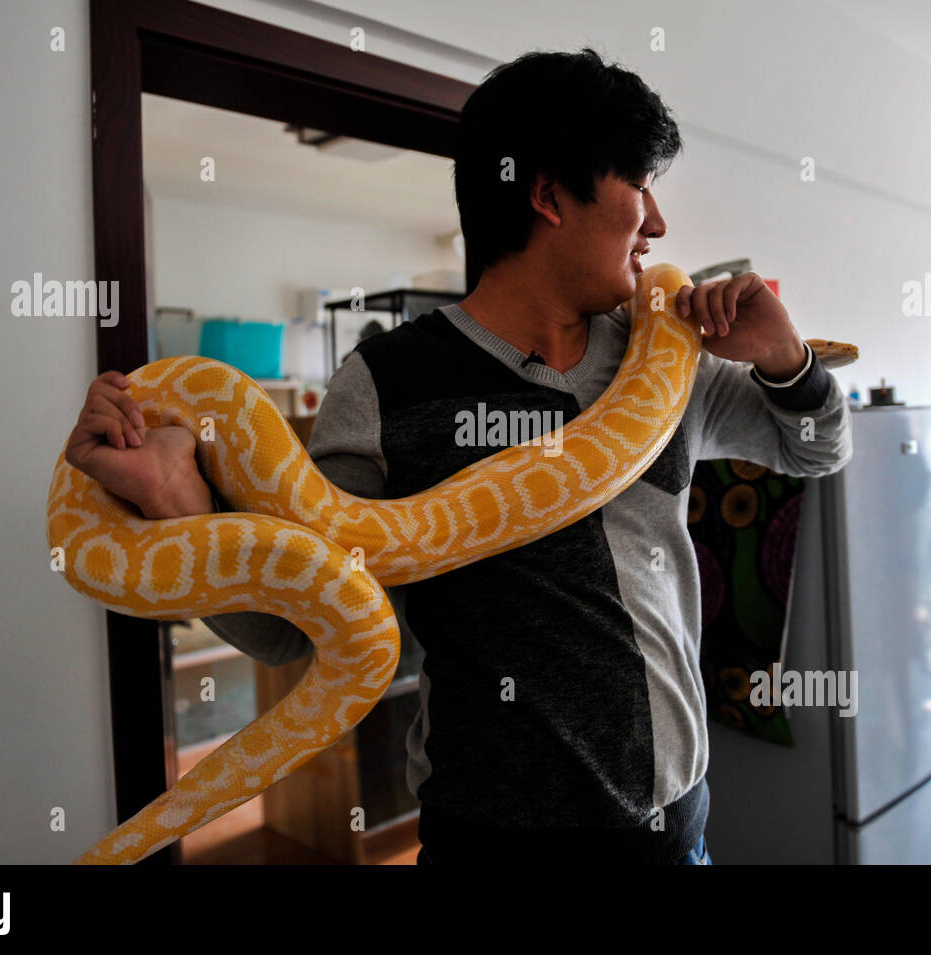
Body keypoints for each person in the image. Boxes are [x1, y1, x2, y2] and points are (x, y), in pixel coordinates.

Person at [63, 47, 853, 865]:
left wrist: (788, 362)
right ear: (548, 194)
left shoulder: (671, 356)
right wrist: (178, 499)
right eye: (638, 186)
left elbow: (821, 448)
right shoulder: (382, 384)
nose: (657, 223)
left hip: (676, 832)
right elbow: (291, 625)